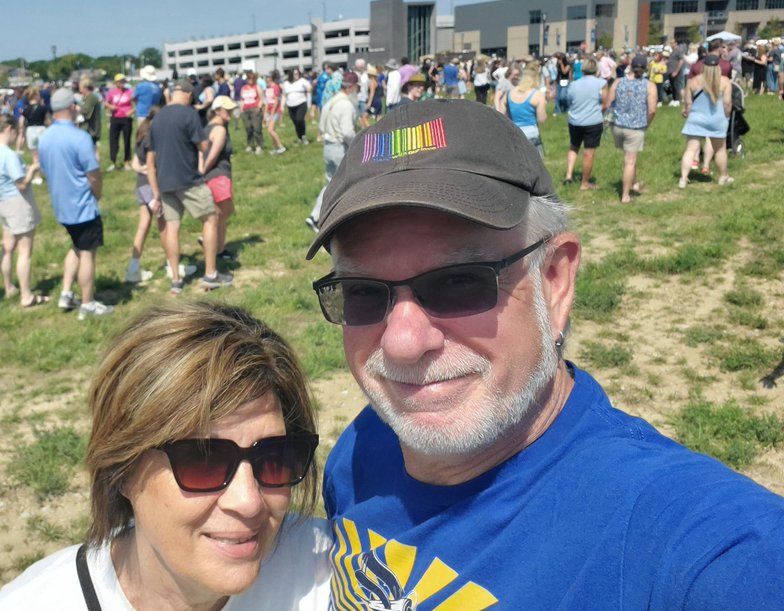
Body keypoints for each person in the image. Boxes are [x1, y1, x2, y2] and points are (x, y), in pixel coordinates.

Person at [304, 98, 784, 609]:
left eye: (459, 282)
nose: (401, 342)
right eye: (361, 291)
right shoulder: (360, 451)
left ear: (555, 282)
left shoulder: (699, 546)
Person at [0, 301, 330, 610]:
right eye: (203, 461)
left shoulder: (336, 575)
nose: (248, 501)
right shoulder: (36, 602)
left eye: (274, 457)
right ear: (121, 470)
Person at [147, 80, 232, 294]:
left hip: (165, 181)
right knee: (211, 217)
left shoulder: (157, 119)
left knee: (172, 228)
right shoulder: (189, 114)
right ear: (187, 94)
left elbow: (153, 154)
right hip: (188, 179)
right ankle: (211, 274)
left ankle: (176, 280)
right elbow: (203, 145)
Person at [39, 88, 113, 319]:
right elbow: (94, 174)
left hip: (61, 205)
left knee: (77, 246)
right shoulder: (80, 137)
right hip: (82, 206)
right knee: (88, 253)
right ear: (72, 107)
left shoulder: (45, 137)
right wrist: (97, 195)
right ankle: (88, 303)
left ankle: (66, 292)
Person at [0, 114, 45, 307]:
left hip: (0, 203)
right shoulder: (7, 155)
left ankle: (9, 287)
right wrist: (34, 169)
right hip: (16, 204)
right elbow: (22, 184)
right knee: (24, 251)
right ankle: (26, 296)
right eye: (16, 133)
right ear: (9, 130)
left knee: (7, 248)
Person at [307, 72, 358, 233]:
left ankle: (316, 215)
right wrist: (357, 144)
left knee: (331, 183)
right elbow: (347, 132)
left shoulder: (330, 102)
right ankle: (333, 218)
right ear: (351, 87)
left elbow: (321, 126)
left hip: (328, 146)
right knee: (346, 184)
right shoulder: (346, 104)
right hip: (339, 147)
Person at [604, 55, 657, 203]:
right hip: (636, 127)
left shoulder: (618, 82)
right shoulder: (649, 85)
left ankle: (634, 183)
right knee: (630, 162)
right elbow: (652, 110)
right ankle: (626, 195)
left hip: (618, 126)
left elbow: (608, 103)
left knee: (629, 158)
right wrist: (647, 123)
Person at [678, 54, 733, 189]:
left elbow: (688, 104)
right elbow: (727, 104)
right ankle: (722, 176)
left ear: (703, 66)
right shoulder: (725, 81)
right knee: (720, 150)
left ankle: (683, 178)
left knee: (690, 149)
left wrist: (687, 112)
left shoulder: (693, 81)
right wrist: (727, 116)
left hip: (696, 119)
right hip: (717, 119)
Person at [124, 106, 161, 285]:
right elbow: (151, 165)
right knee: (165, 225)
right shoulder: (151, 138)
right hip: (150, 185)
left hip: (140, 184)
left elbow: (136, 162)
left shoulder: (141, 133)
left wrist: (140, 168)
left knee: (144, 225)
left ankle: (133, 267)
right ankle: (171, 264)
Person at [200, 96, 239, 261]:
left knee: (224, 212)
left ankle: (218, 248)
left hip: (213, 177)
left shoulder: (206, 128)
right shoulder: (220, 130)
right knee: (220, 214)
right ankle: (213, 245)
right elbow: (212, 156)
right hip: (219, 176)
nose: (230, 112)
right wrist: (203, 171)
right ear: (217, 110)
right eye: (227, 109)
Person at [563, 58, 605, 187]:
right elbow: (605, 102)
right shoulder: (601, 83)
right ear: (596, 69)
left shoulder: (573, 84)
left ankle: (569, 174)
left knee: (574, 146)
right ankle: (585, 183)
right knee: (589, 152)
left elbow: (568, 100)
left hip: (575, 121)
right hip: (593, 121)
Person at [501, 62, 548, 158]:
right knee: (535, 167)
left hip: (514, 134)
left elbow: (501, 114)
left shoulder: (509, 93)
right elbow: (541, 119)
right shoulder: (537, 95)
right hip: (531, 134)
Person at [104, 74, 134, 171]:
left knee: (127, 140)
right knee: (113, 141)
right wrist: (110, 106)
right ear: (116, 82)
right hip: (115, 118)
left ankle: (126, 162)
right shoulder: (112, 92)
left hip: (126, 118)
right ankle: (113, 162)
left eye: (123, 81)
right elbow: (105, 103)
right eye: (120, 81)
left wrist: (132, 111)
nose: (122, 83)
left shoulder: (130, 92)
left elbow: (136, 103)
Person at [283, 68, 311, 145]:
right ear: (291, 74)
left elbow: (309, 88)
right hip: (290, 105)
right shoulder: (286, 83)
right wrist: (282, 106)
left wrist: (308, 92)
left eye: (298, 73)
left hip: (301, 103)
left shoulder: (302, 81)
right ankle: (300, 138)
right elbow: (284, 95)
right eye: (295, 74)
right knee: (295, 122)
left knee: (299, 120)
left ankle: (304, 136)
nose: (297, 75)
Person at [238, 71, 264, 155]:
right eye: (249, 78)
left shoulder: (257, 87)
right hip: (246, 109)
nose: (250, 80)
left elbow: (261, 98)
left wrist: (259, 107)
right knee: (248, 128)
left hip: (254, 109)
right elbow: (242, 99)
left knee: (256, 128)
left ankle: (259, 145)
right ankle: (250, 144)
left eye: (252, 78)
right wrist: (241, 109)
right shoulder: (244, 88)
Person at [78, 76, 103, 156]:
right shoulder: (86, 98)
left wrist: (77, 108)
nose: (79, 89)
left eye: (81, 87)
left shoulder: (91, 98)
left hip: (91, 130)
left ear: (85, 88)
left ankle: (95, 167)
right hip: (86, 129)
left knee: (92, 151)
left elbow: (86, 111)